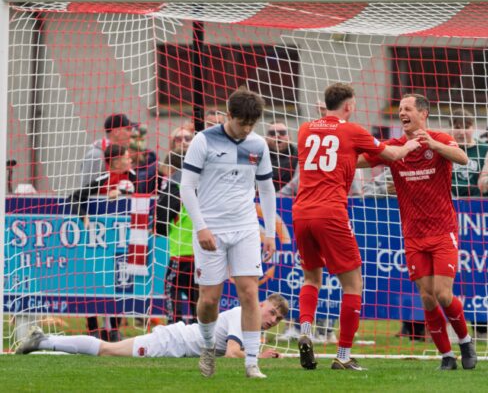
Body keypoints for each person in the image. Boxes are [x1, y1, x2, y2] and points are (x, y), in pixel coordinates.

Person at [293, 83, 419, 371]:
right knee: (353, 285)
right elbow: (391, 155)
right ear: (349, 106)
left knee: (311, 279)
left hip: (300, 212)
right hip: (330, 213)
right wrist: (409, 145)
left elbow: (338, 152)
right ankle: (343, 355)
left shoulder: (305, 130)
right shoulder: (352, 130)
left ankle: (306, 329)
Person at [359, 94, 477, 370]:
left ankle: (465, 340)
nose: (402, 113)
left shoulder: (439, 139)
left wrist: (433, 145)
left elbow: (462, 158)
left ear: (423, 114)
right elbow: (358, 161)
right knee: (426, 297)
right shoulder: (394, 147)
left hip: (443, 229)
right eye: (400, 109)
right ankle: (446, 356)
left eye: (408, 109)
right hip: (413, 233)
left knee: (443, 294)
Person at [180, 87, 277, 379]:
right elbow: (187, 187)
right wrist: (201, 227)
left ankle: (251, 362)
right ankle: (208, 347)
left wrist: (270, 233)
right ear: (228, 115)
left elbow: (266, 188)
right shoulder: (203, 140)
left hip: (246, 228)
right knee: (210, 299)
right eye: (242, 123)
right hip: (212, 229)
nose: (246, 129)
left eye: (251, 124)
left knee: (250, 292)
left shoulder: (258, 144)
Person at [16, 294, 289, 359]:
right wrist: (259, 358)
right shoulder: (243, 315)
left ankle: (44, 340)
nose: (272, 319)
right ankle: (43, 341)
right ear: (260, 304)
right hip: (172, 342)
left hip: (179, 342)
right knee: (108, 350)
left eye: (277, 319)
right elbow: (231, 353)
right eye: (272, 311)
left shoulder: (249, 323)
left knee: (109, 349)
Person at [70, 143, 138, 342]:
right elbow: (75, 198)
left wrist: (123, 194)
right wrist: (84, 216)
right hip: (99, 242)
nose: (130, 159)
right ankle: (93, 328)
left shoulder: (135, 178)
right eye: (126, 156)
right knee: (94, 283)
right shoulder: (102, 180)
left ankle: (114, 329)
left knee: (119, 283)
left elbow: (148, 195)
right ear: (115, 161)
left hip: (124, 241)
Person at [155, 152, 198, 324]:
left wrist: (159, 229)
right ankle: (199, 330)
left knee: (171, 290)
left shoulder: (174, 187)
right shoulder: (199, 186)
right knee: (196, 295)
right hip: (200, 254)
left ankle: (175, 327)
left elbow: (161, 216)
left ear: (171, 168)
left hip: (181, 253)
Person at [81, 113, 133, 186]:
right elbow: (87, 188)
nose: (131, 134)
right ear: (116, 132)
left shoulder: (123, 154)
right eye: (128, 129)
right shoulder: (96, 155)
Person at [450, 109, 488, 198]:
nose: (462, 132)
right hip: (451, 199)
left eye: (466, 127)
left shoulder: (485, 149)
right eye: (457, 128)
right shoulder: (445, 149)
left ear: (473, 128)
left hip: (479, 200)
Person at [266, 122, 298, 191]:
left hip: (292, 196)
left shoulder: (299, 155)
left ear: (290, 137)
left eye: (282, 133)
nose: (277, 136)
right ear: (266, 138)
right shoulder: (259, 155)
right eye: (272, 133)